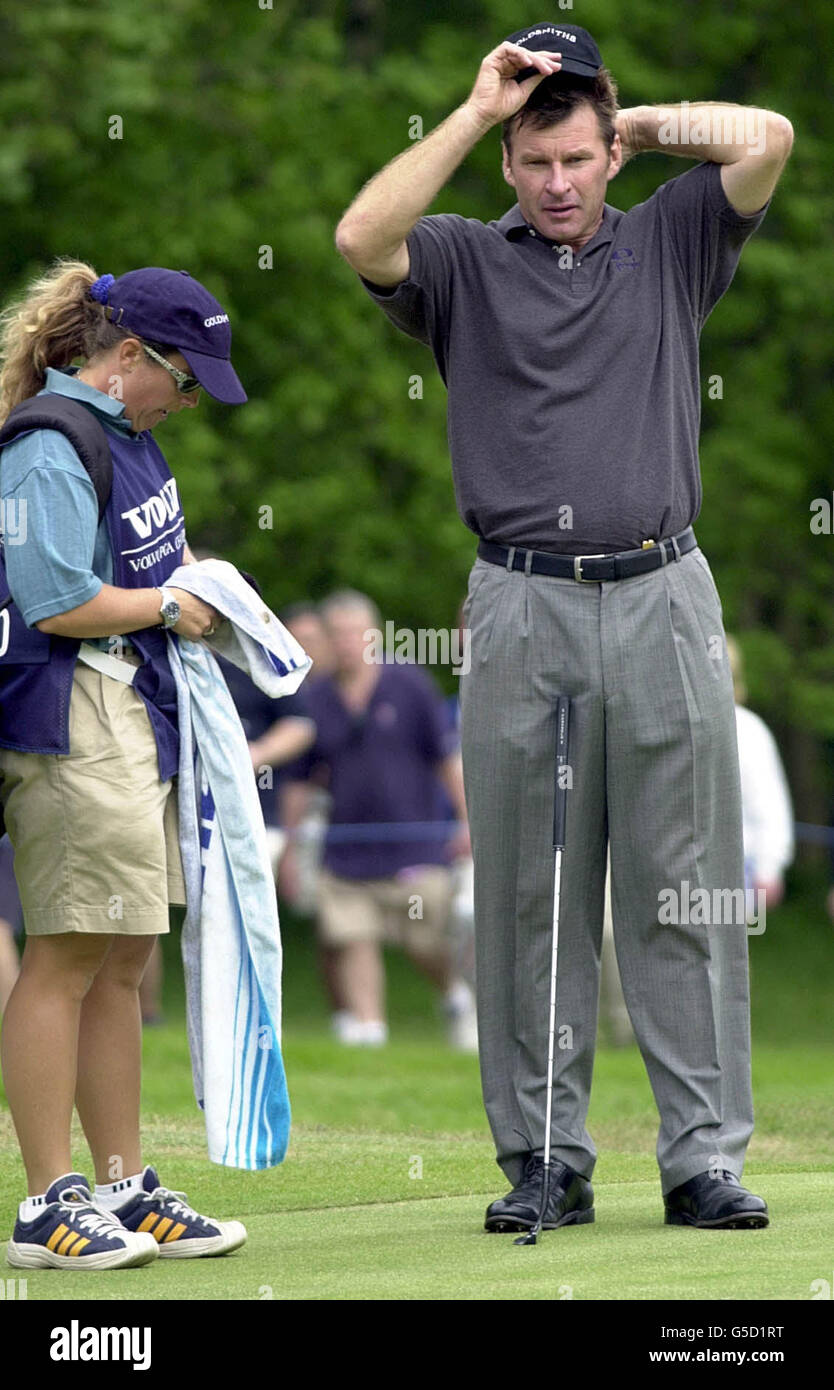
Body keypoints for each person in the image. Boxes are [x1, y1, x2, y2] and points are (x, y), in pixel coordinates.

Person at [335, 23, 793, 1229]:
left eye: (579, 159)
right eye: (537, 162)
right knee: (532, 899)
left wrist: (634, 127)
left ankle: (702, 1160)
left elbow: (772, 139)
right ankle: (546, 1159)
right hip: (521, 598)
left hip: (664, 592)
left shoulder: (676, 238)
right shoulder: (461, 262)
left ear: (608, 152)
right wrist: (481, 109)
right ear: (509, 165)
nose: (560, 184)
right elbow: (358, 237)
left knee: (684, 891)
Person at [0, 260, 250, 1269]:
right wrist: (170, 607)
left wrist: (204, 597)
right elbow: (57, 598)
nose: (188, 403)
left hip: (138, 710)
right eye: (183, 380)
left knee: (123, 957)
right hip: (73, 716)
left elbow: (146, 568)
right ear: (130, 357)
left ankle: (121, 1184)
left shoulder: (132, 440)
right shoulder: (49, 445)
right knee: (64, 953)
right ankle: (45, 1205)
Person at [281, 589, 474, 1046]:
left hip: (415, 844)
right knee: (353, 935)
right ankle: (369, 1028)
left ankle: (453, 993)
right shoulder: (315, 697)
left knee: (424, 938)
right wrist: (291, 845)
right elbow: (299, 781)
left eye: (356, 633)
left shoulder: (409, 685)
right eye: (338, 634)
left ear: (375, 636)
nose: (347, 643)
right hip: (345, 849)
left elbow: (446, 759)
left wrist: (467, 822)